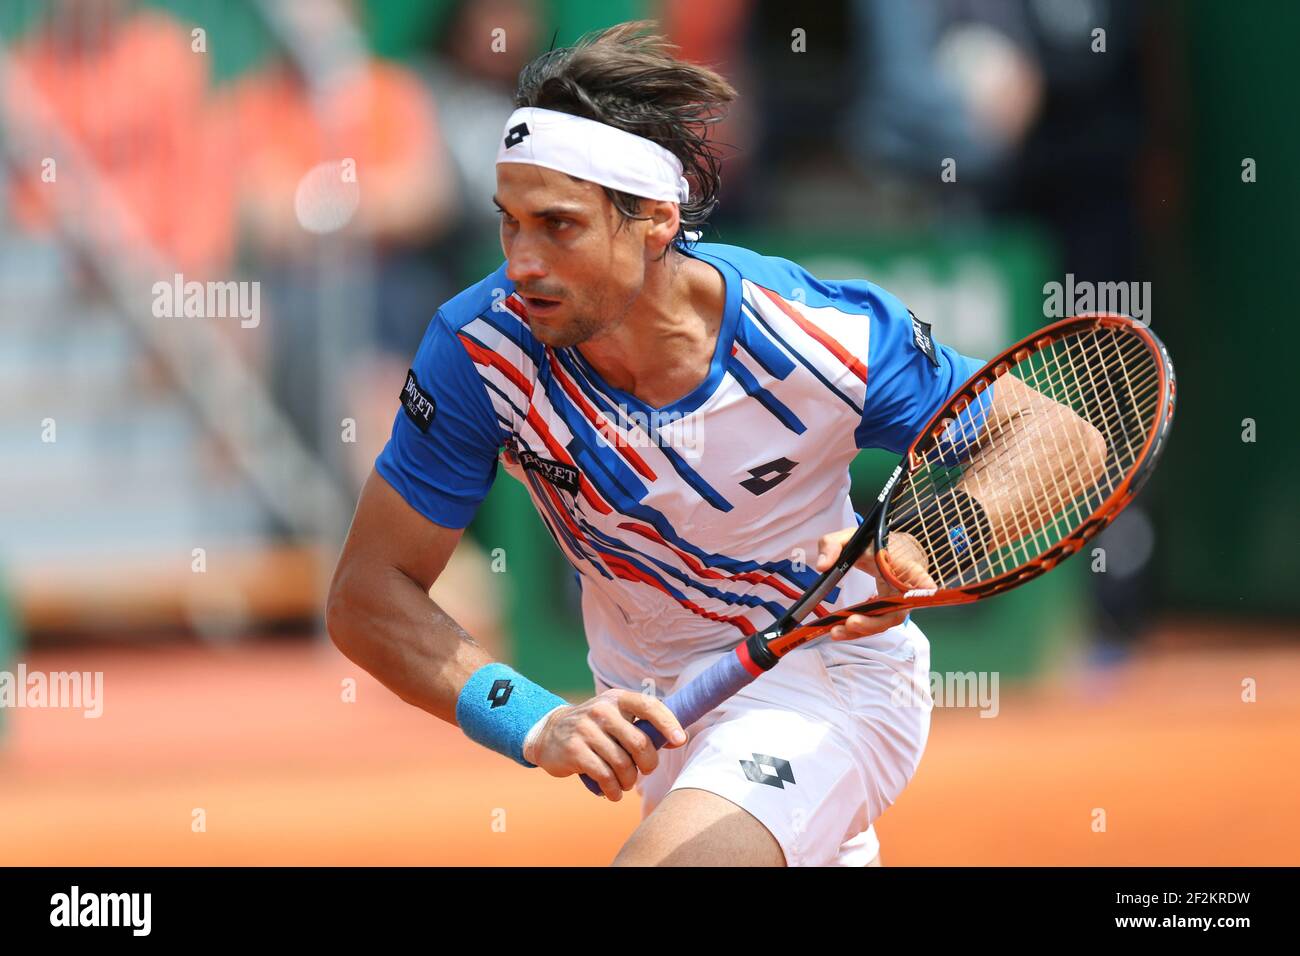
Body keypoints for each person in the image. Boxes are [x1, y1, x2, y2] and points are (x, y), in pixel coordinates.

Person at [327, 21, 991, 866]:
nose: (522, 262)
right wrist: (534, 718)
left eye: (558, 226)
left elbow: (1053, 433)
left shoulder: (819, 334)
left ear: (654, 221)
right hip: (663, 715)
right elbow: (367, 593)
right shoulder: (480, 348)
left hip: (829, 678)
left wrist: (928, 542)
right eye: (510, 223)